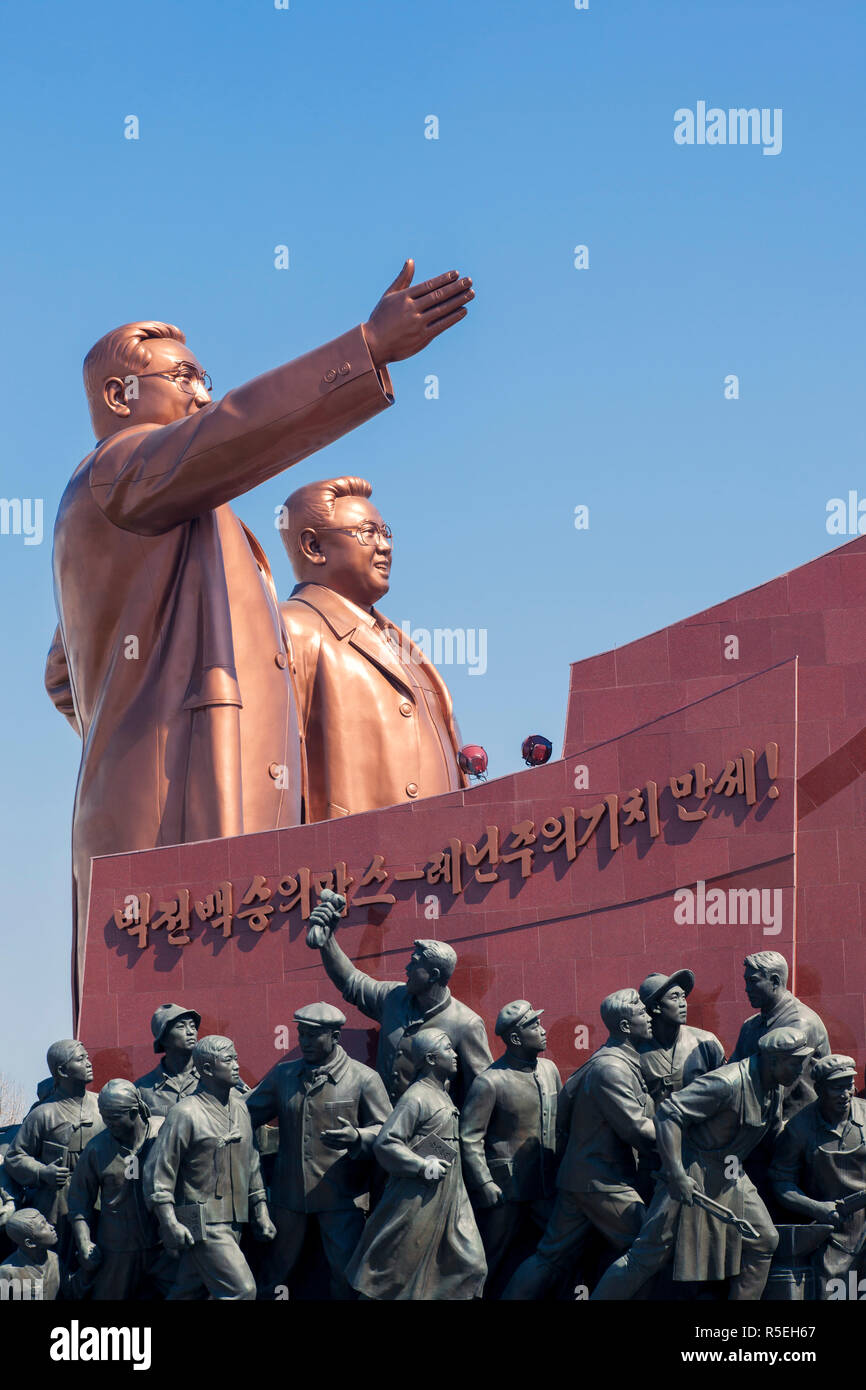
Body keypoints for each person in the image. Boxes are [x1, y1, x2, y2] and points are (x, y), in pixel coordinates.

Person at [44, 259, 475, 1021]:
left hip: (212, 801)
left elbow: (62, 670)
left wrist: (134, 705)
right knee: (179, 1032)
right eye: (184, 377)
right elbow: (232, 432)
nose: (203, 393)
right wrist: (366, 347)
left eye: (206, 378)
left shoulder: (187, 513)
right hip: (172, 806)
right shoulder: (117, 473)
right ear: (120, 397)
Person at [278, 476, 466, 822]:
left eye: (385, 533)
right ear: (313, 547)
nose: (384, 546)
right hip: (345, 865)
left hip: (445, 861)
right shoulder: (291, 628)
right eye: (367, 533)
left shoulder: (401, 644)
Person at [591, 1027, 813, 1301]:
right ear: (774, 1060)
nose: (801, 1070)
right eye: (796, 1062)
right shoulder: (726, 1083)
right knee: (647, 1256)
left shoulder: (773, 1090)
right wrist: (676, 1175)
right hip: (691, 1172)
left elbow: (775, 1135)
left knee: (763, 1240)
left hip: (732, 1172)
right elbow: (668, 1115)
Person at [502, 989, 656, 1300]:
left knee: (550, 1257)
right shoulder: (610, 1068)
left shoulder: (607, 1061)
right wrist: (681, 1133)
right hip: (601, 1181)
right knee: (650, 1245)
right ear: (625, 1026)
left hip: (583, 1177)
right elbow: (637, 1130)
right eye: (643, 1014)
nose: (650, 1018)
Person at [245, 1003, 391, 1300]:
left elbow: (386, 1132)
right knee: (275, 1272)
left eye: (313, 1036)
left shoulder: (364, 1078)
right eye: (301, 1034)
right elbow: (244, 1113)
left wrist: (358, 1137)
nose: (304, 1042)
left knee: (346, 1273)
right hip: (289, 1196)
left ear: (335, 1036)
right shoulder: (283, 1076)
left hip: (342, 1197)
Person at [307, 890, 491, 1107]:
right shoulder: (393, 997)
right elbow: (351, 981)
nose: (407, 968)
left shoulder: (466, 1024)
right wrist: (327, 940)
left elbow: (482, 1091)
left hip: (432, 1132)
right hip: (384, 1125)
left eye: (414, 964)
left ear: (434, 976)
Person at [345, 1029, 486, 1300]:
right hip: (419, 1199)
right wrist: (421, 1165)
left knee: (472, 1265)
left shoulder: (442, 1094)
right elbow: (386, 1143)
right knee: (396, 1272)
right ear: (431, 1059)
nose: (455, 1054)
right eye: (448, 1049)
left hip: (451, 1195)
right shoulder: (416, 1097)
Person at [144, 1035, 275, 1300]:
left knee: (188, 1291)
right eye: (228, 1060)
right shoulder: (185, 1112)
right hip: (203, 1221)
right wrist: (168, 1221)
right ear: (206, 1069)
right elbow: (158, 1170)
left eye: (236, 1057)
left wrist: (260, 1208)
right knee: (242, 1291)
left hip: (234, 1218)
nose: (236, 1065)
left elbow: (251, 1162)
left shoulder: (240, 1108)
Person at [460, 1000, 561, 1289]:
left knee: (557, 1249)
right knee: (490, 1256)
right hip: (506, 1189)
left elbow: (561, 1120)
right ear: (515, 1038)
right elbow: (470, 1137)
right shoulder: (490, 1082)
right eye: (534, 1026)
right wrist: (485, 1183)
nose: (543, 1030)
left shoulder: (550, 1069)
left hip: (544, 1184)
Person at [769, 1053, 866, 1298]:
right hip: (832, 1228)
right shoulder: (800, 1128)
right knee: (832, 1286)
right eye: (836, 1087)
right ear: (819, 1089)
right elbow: (781, 1183)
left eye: (849, 1085)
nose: (846, 1094)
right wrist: (816, 1208)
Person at [67, 1080, 171, 1300]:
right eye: (104, 1116)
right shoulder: (96, 1149)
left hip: (163, 1246)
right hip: (118, 1250)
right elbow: (79, 1203)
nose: (107, 1123)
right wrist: (84, 1242)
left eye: (113, 1118)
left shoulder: (164, 1132)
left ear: (134, 1112)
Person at [3, 1041, 103, 1262]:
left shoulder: (101, 1105)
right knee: (60, 1262)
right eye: (80, 1059)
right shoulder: (43, 1114)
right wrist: (42, 1172)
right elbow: (15, 1156)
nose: (88, 1063)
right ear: (62, 1070)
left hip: (98, 1197)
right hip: (58, 1204)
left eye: (87, 1057)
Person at [731, 951, 830, 1117]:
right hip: (756, 1121)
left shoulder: (802, 1023)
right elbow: (731, 1072)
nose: (746, 989)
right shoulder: (749, 1026)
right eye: (746, 982)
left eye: (753, 981)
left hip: (794, 1127)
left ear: (775, 981)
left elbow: (775, 1088)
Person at [637, 970, 725, 1106]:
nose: (683, 1003)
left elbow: (727, 1091)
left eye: (683, 997)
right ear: (656, 1007)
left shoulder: (705, 1042)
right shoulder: (637, 1051)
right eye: (674, 997)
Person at [134, 1005, 203, 1115]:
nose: (190, 1032)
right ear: (163, 1038)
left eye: (193, 1026)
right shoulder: (143, 1090)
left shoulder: (215, 1078)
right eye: (181, 1027)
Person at [0, 1209, 60, 1301]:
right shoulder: (7, 1272)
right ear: (30, 1243)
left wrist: (86, 1269)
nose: (51, 1227)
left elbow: (70, 1289)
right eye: (43, 1226)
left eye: (46, 1222)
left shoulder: (54, 1259)